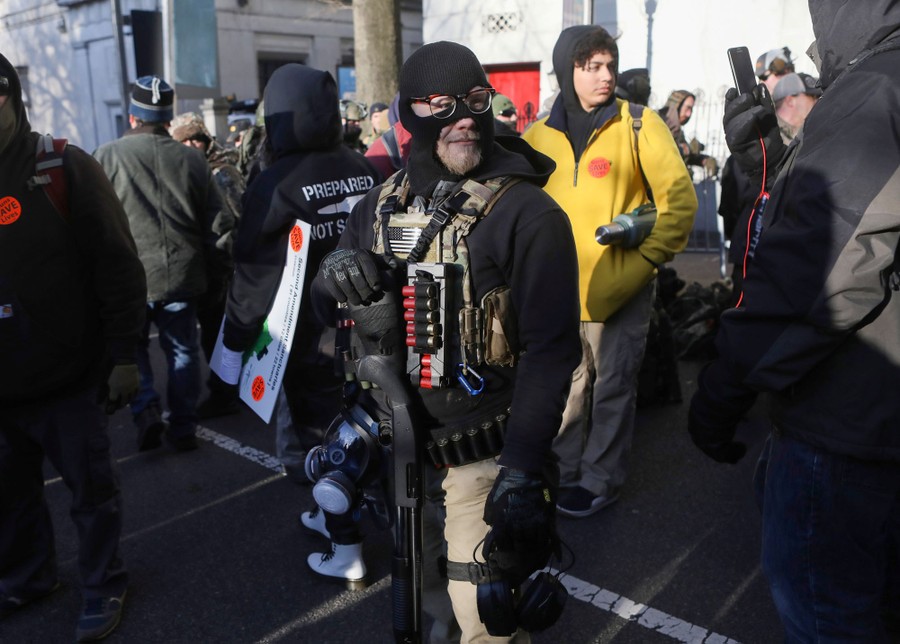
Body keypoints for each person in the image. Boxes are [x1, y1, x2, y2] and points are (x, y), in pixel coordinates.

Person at [313, 40, 582, 642]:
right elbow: (320, 311)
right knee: (429, 598)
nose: (464, 116)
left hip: (483, 460)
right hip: (398, 454)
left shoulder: (528, 215)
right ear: (409, 114)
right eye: (442, 104)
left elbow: (553, 350)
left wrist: (521, 467)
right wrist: (334, 277)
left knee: (484, 615)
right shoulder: (376, 207)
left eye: (477, 100)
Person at [689, 1, 900, 640]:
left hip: (847, 426)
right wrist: (766, 159)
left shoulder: (875, 86)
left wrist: (724, 390)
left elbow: (821, 274)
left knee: (826, 616)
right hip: (873, 420)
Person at [522, 25, 697, 518]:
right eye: (591, 66)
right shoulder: (537, 137)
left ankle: (600, 478)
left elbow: (678, 204)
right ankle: (566, 470)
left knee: (615, 385)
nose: (605, 76)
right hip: (558, 293)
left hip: (622, 288)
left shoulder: (638, 123)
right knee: (568, 387)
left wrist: (641, 264)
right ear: (567, 69)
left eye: (609, 65)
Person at [214, 64, 381, 579]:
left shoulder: (276, 182)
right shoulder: (363, 166)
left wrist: (232, 349)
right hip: (372, 328)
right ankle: (332, 512)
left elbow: (255, 276)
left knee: (321, 438)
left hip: (312, 337)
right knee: (361, 429)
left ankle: (345, 546)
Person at [0, 55, 147, 641]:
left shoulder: (61, 166)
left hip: (68, 379)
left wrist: (126, 355)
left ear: (12, 97)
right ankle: (28, 578)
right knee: (10, 500)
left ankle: (103, 583)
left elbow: (118, 266)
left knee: (91, 494)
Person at [94, 76, 234, 452]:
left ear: (133, 116)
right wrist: (218, 273)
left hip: (127, 278)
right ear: (166, 117)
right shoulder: (192, 159)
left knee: (135, 349)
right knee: (182, 351)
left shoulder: (104, 157)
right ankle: (184, 425)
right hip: (182, 274)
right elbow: (218, 225)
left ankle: (146, 411)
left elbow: (93, 225)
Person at [170, 111, 247, 418]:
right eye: (184, 140)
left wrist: (226, 266)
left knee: (221, 333)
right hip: (211, 264)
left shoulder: (220, 172)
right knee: (216, 332)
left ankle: (226, 392)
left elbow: (234, 220)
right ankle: (227, 388)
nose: (191, 144)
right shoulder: (189, 169)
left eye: (196, 138)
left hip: (228, 264)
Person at [657, 90, 718, 178]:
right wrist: (687, 149)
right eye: (687, 108)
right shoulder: (657, 123)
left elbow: (688, 157)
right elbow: (659, 152)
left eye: (691, 109)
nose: (689, 114)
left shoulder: (677, 130)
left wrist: (705, 160)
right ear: (676, 106)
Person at [771, 71, 821, 142]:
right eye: (813, 96)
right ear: (790, 101)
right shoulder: (769, 141)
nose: (818, 100)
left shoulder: (814, 128)